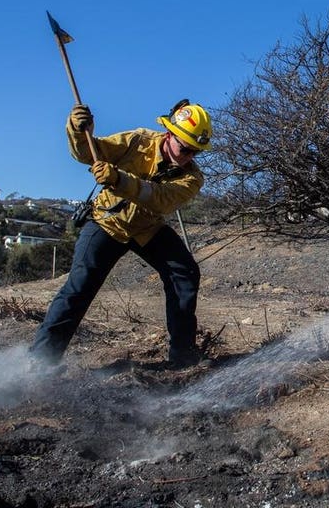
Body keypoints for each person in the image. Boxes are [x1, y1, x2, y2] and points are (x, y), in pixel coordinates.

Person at [30, 99, 213, 368]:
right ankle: (41, 362)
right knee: (79, 287)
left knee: (184, 272)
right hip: (107, 222)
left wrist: (119, 180)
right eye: (185, 148)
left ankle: (183, 355)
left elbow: (160, 200)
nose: (188, 157)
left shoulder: (193, 178)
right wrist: (80, 131)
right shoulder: (137, 140)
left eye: (195, 152)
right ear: (169, 134)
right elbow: (89, 153)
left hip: (146, 228)